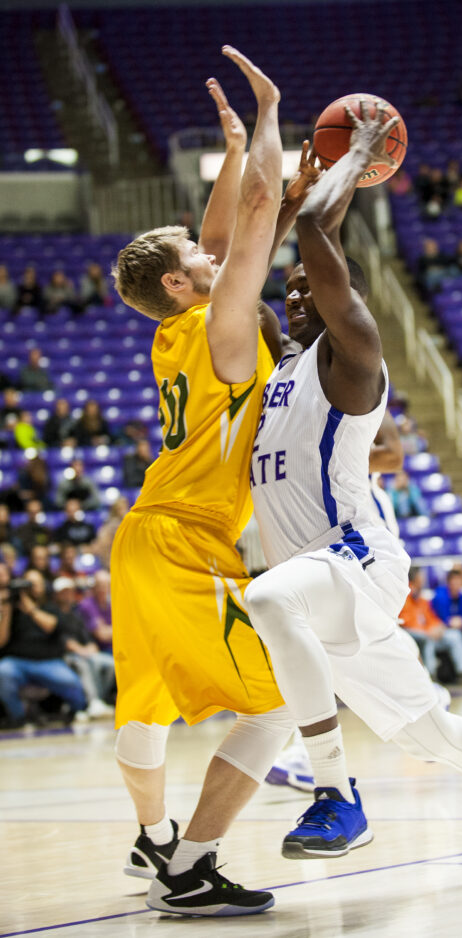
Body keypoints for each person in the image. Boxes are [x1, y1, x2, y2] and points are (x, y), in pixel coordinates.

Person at [243, 100, 462, 872]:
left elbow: (319, 240)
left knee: (265, 598)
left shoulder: (354, 355)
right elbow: (241, 286)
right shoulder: (280, 364)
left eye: (308, 288)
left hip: (354, 556)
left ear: (342, 299)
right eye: (290, 291)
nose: (294, 297)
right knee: (427, 733)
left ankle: (336, 794)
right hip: (318, 580)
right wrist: (291, 202)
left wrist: (353, 158)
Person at [109, 48, 316, 918]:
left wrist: (231, 152)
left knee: (145, 703)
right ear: (177, 282)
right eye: (195, 253)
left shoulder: (179, 328)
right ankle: (189, 867)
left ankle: (152, 837)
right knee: (280, 703)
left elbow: (226, 240)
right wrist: (268, 116)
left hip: (144, 537)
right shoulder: (222, 329)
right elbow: (258, 216)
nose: (211, 251)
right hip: (183, 541)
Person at [0, 568, 87, 729]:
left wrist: (30, 609)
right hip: (18, 662)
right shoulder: (12, 609)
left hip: (48, 662)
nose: (33, 588)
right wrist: (7, 608)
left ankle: (78, 711)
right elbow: (1, 640)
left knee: (70, 681)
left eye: (36, 584)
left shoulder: (50, 606)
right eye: (29, 584)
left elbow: (52, 626)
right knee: (3, 671)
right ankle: (18, 718)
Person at [55, 576, 115, 719]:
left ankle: (98, 701)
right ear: (56, 595)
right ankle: (92, 702)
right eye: (63, 592)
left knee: (111, 664)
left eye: (69, 591)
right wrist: (81, 650)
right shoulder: (54, 612)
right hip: (66, 655)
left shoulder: (75, 613)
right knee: (85, 664)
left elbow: (88, 636)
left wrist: (91, 647)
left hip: (84, 652)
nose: (67, 595)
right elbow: (63, 639)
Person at [401, 569, 462, 681]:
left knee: (455, 635)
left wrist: (438, 627)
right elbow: (406, 622)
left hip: (429, 633)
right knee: (427, 639)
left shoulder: (422, 600)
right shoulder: (403, 600)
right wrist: (427, 631)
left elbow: (432, 618)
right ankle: (431, 676)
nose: (423, 582)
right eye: (420, 580)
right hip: (414, 635)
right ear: (412, 582)